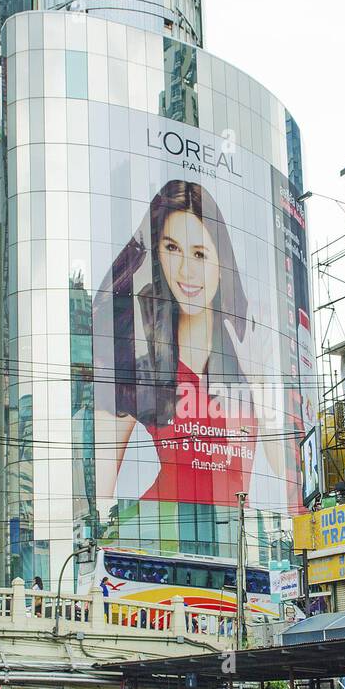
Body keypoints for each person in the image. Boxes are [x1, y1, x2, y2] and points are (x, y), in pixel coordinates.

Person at [93, 180, 290, 511]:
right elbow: (99, 492)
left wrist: (258, 382)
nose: (186, 271)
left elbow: (289, 481)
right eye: (172, 249)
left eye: (199, 254)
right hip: (157, 543)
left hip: (237, 545)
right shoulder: (142, 361)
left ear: (220, 259)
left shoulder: (251, 349)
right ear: (156, 253)